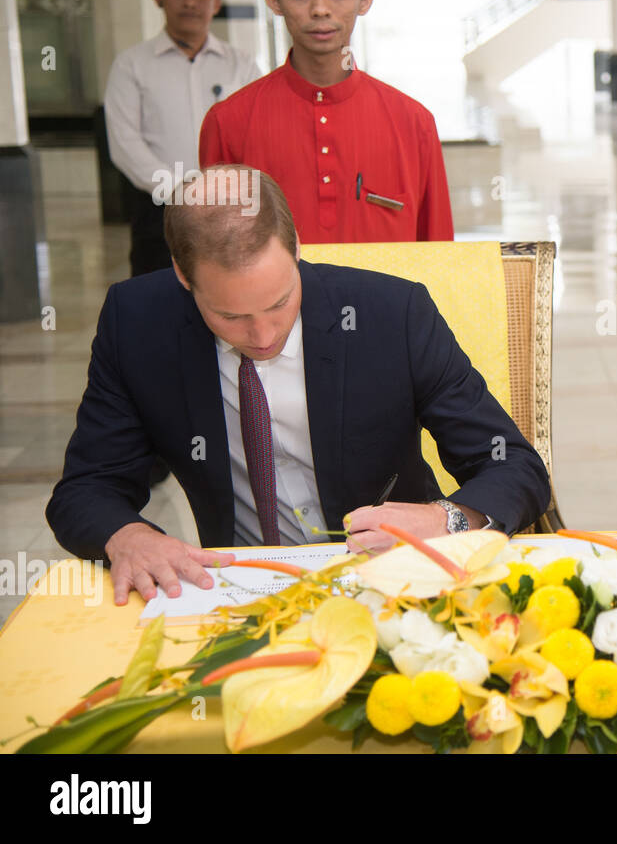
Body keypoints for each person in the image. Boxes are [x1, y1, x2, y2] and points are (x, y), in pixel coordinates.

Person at [47, 167, 551, 606]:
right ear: (183, 275)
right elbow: (86, 489)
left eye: (279, 302)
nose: (263, 335)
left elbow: (516, 467)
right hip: (238, 591)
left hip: (393, 579)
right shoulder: (136, 322)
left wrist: (445, 520)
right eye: (229, 316)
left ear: (296, 247)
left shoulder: (391, 315)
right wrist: (128, 535)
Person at [199, 0, 453, 243]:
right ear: (274, 0)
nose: (320, 9)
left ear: (364, 0)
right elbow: (215, 254)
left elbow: (439, 254)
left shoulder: (414, 124)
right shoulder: (228, 124)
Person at [104, 0, 261, 276]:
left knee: (230, 296)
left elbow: (258, 133)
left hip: (232, 210)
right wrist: (180, 192)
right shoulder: (131, 65)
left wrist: (227, 192)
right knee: (160, 297)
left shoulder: (241, 65)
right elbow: (125, 142)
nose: (189, 2)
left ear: (215, 2)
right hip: (159, 212)